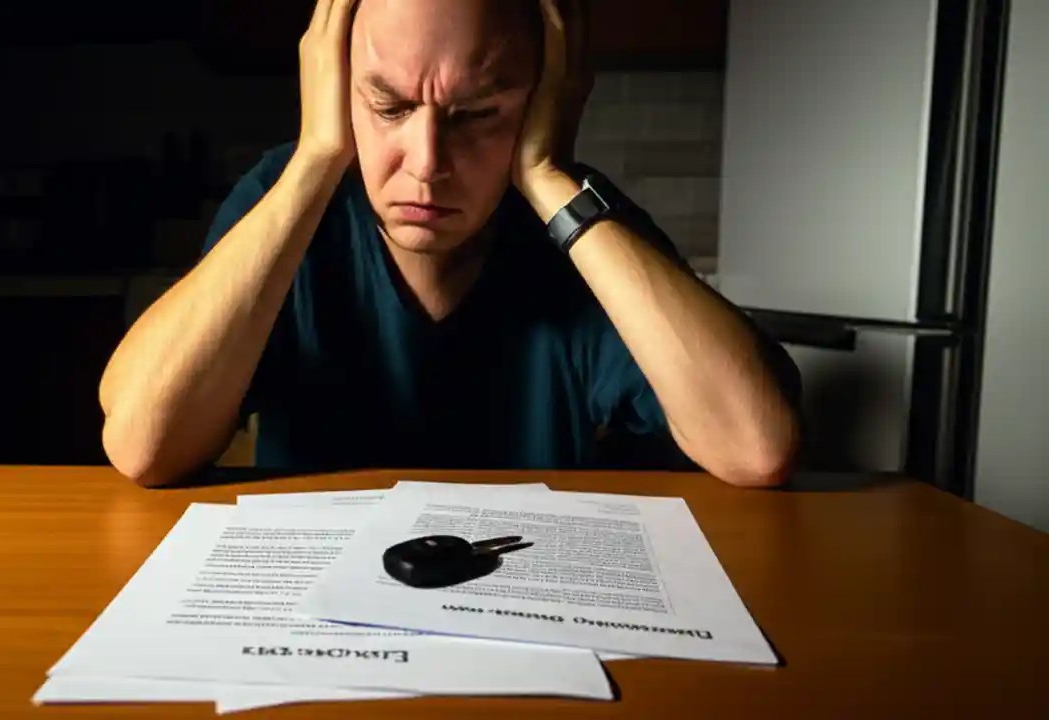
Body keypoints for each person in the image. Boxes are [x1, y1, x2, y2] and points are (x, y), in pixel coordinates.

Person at [98, 0, 802, 488]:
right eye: (388, 106)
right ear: (334, 87)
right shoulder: (284, 199)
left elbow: (755, 445)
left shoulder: (579, 224)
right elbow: (142, 446)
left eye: (476, 114)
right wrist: (317, 156)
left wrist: (549, 177)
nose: (427, 161)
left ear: (542, 103)